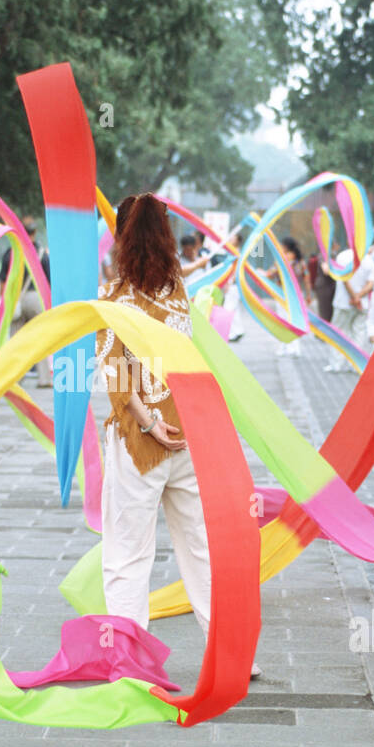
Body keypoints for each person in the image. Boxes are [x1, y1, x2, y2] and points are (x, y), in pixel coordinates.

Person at [95, 193, 259, 677]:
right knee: (202, 549)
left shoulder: (112, 297)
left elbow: (116, 374)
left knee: (127, 553)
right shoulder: (180, 293)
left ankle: (127, 659)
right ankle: (230, 653)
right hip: (189, 432)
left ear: (121, 237)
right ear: (167, 236)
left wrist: (147, 423)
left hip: (137, 442)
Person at [0, 215, 53, 387]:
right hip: (35, 297)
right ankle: (44, 378)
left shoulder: (11, 252)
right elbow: (48, 281)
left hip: (16, 298)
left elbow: (3, 280)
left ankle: (16, 378)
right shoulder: (41, 253)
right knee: (42, 338)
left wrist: (4, 302)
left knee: (17, 340)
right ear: (35, 232)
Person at [324, 247, 374, 370]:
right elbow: (371, 283)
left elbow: (344, 279)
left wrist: (354, 296)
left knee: (339, 333)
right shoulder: (368, 259)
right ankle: (355, 365)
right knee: (359, 333)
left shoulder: (343, 256)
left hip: (343, 302)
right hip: (362, 304)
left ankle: (337, 364)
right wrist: (359, 297)